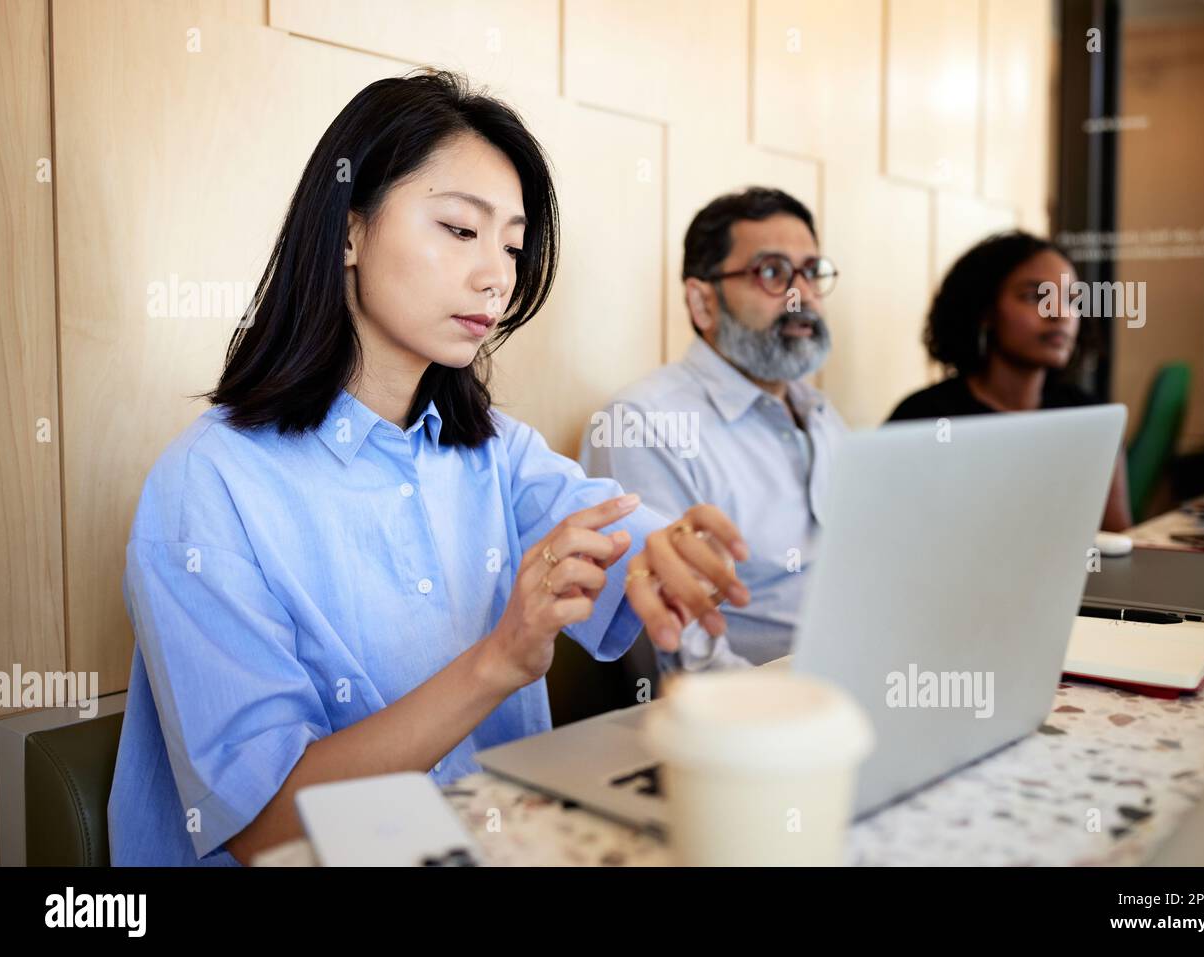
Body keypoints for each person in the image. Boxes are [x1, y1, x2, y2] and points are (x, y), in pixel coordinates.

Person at [107, 70, 751, 866]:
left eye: (513, 245)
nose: (498, 275)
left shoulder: (493, 451)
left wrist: (666, 552)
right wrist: (498, 662)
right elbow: (267, 824)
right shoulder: (206, 487)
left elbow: (611, 530)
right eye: (458, 229)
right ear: (348, 233)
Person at [581, 187, 848, 669]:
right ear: (702, 302)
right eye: (772, 273)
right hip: (750, 722)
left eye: (810, 272)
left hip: (867, 683)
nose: (801, 295)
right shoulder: (642, 424)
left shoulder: (823, 415)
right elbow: (674, 651)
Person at [886, 230, 1132, 531]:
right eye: (1034, 296)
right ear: (985, 311)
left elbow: (1117, 542)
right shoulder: (923, 417)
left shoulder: (1091, 418)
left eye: (1070, 299)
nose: (1059, 314)